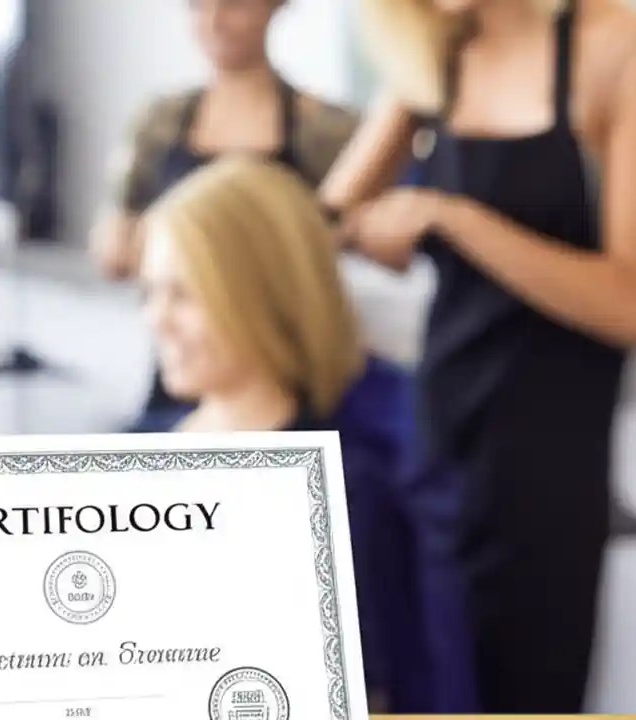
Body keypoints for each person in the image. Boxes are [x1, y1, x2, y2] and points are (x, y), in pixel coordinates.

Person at [321, 0, 636, 711]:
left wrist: (454, 220)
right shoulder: (433, 60)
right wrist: (374, 225)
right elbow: (332, 216)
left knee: (526, 687)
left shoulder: (617, 48)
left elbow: (630, 305)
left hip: (548, 461)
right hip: (440, 433)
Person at [142, 158, 477, 713]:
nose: (156, 318)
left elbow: (380, 695)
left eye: (183, 294)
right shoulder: (121, 463)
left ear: (260, 294)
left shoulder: (351, 487)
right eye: (150, 292)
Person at [89, 0, 360, 432]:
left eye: (233, 5)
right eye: (198, 6)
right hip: (194, 355)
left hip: (286, 367)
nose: (214, 22)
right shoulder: (159, 124)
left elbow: (367, 238)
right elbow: (112, 250)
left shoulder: (328, 130)